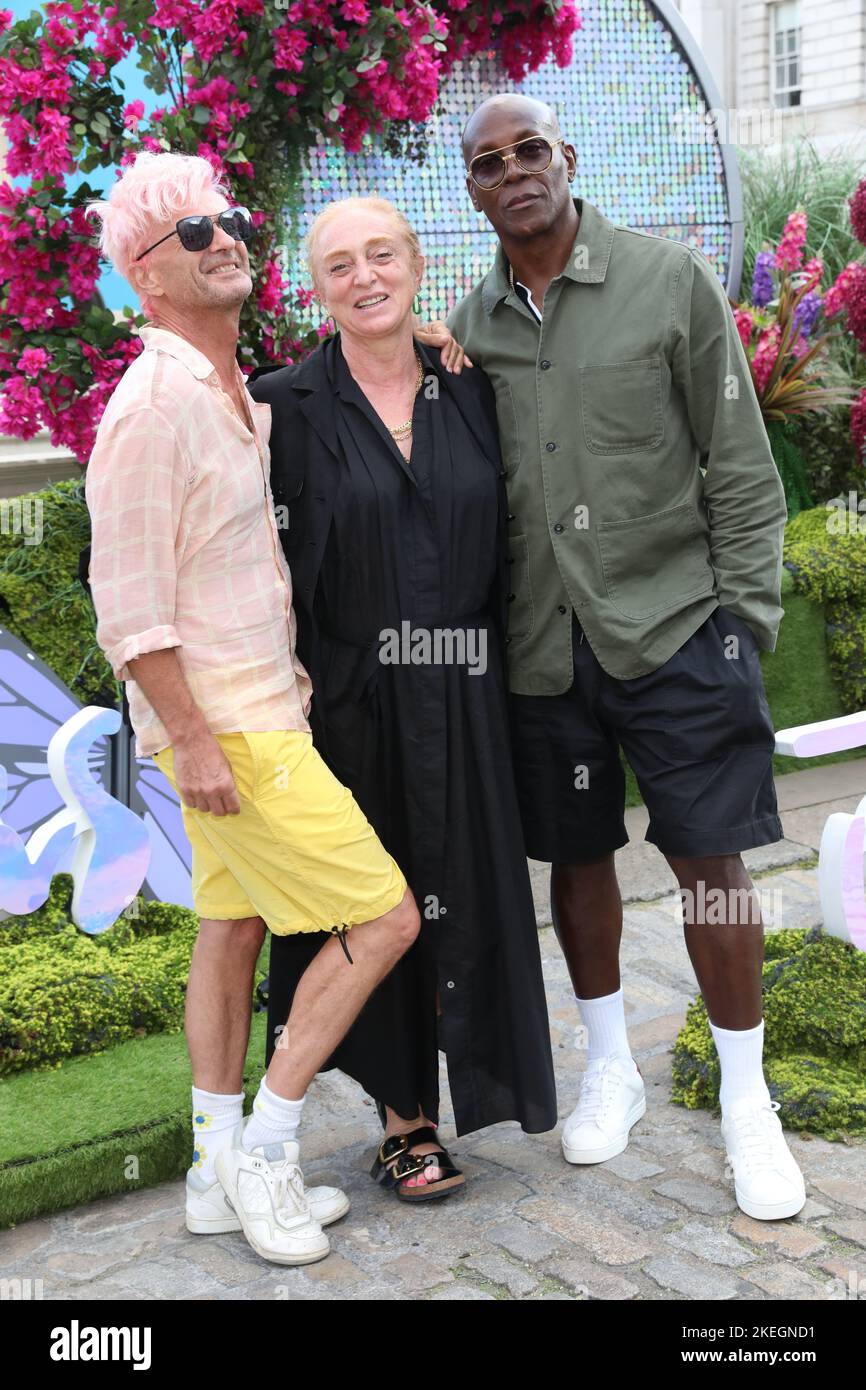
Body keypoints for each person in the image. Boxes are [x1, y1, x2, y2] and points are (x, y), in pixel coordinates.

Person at [442, 92, 806, 1222]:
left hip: (677, 634)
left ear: (566, 157)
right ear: (473, 190)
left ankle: (746, 1099)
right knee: (576, 858)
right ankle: (610, 1068)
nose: (514, 171)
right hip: (542, 651)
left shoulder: (666, 281)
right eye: (489, 161)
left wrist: (742, 625)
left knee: (711, 867)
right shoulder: (469, 328)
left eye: (530, 150)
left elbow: (738, 466)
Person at [84, 152, 421, 1266]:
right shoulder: (150, 410)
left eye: (226, 218)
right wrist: (189, 739)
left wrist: (429, 344)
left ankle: (207, 1171)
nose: (223, 237)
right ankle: (267, 1152)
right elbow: (128, 607)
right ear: (147, 276)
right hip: (232, 731)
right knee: (384, 918)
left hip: (259, 708)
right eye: (191, 232)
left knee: (230, 930)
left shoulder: (229, 393)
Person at [249, 195, 557, 1200]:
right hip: (352, 701)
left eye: (381, 254)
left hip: (467, 692)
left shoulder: (470, 386)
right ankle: (404, 1122)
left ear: (418, 266)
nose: (364, 277)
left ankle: (477, 1086)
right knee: (372, 903)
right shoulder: (282, 405)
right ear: (316, 290)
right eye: (339, 264)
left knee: (462, 890)